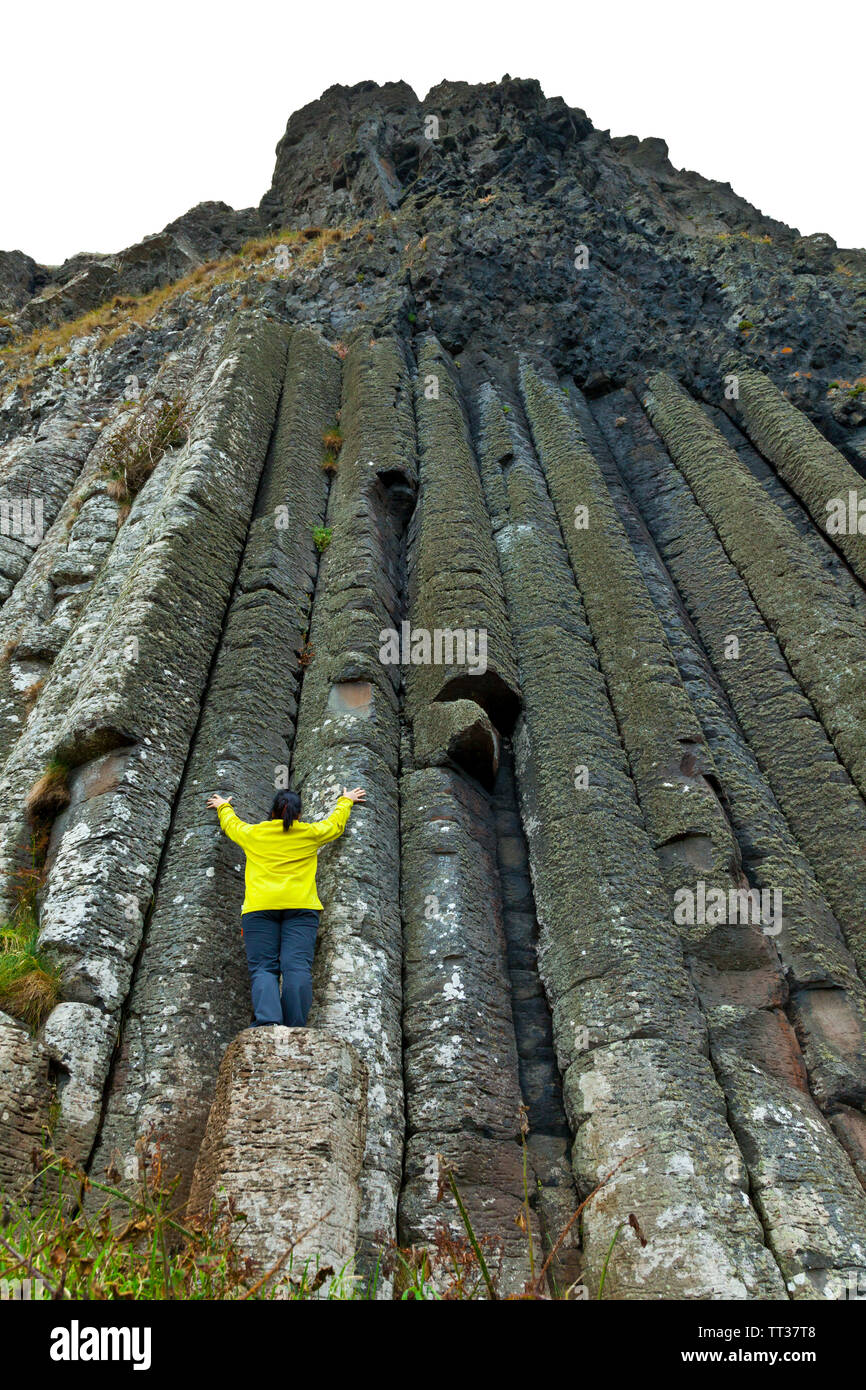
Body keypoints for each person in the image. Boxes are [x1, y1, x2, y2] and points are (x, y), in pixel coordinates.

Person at [207, 785, 366, 1027]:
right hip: (301, 908)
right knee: (296, 967)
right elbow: (335, 825)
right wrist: (346, 801)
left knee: (263, 968)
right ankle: (294, 1027)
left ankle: (269, 1022)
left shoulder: (254, 834)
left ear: (271, 812)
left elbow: (232, 825)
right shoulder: (310, 833)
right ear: (298, 814)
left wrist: (223, 806)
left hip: (260, 909)